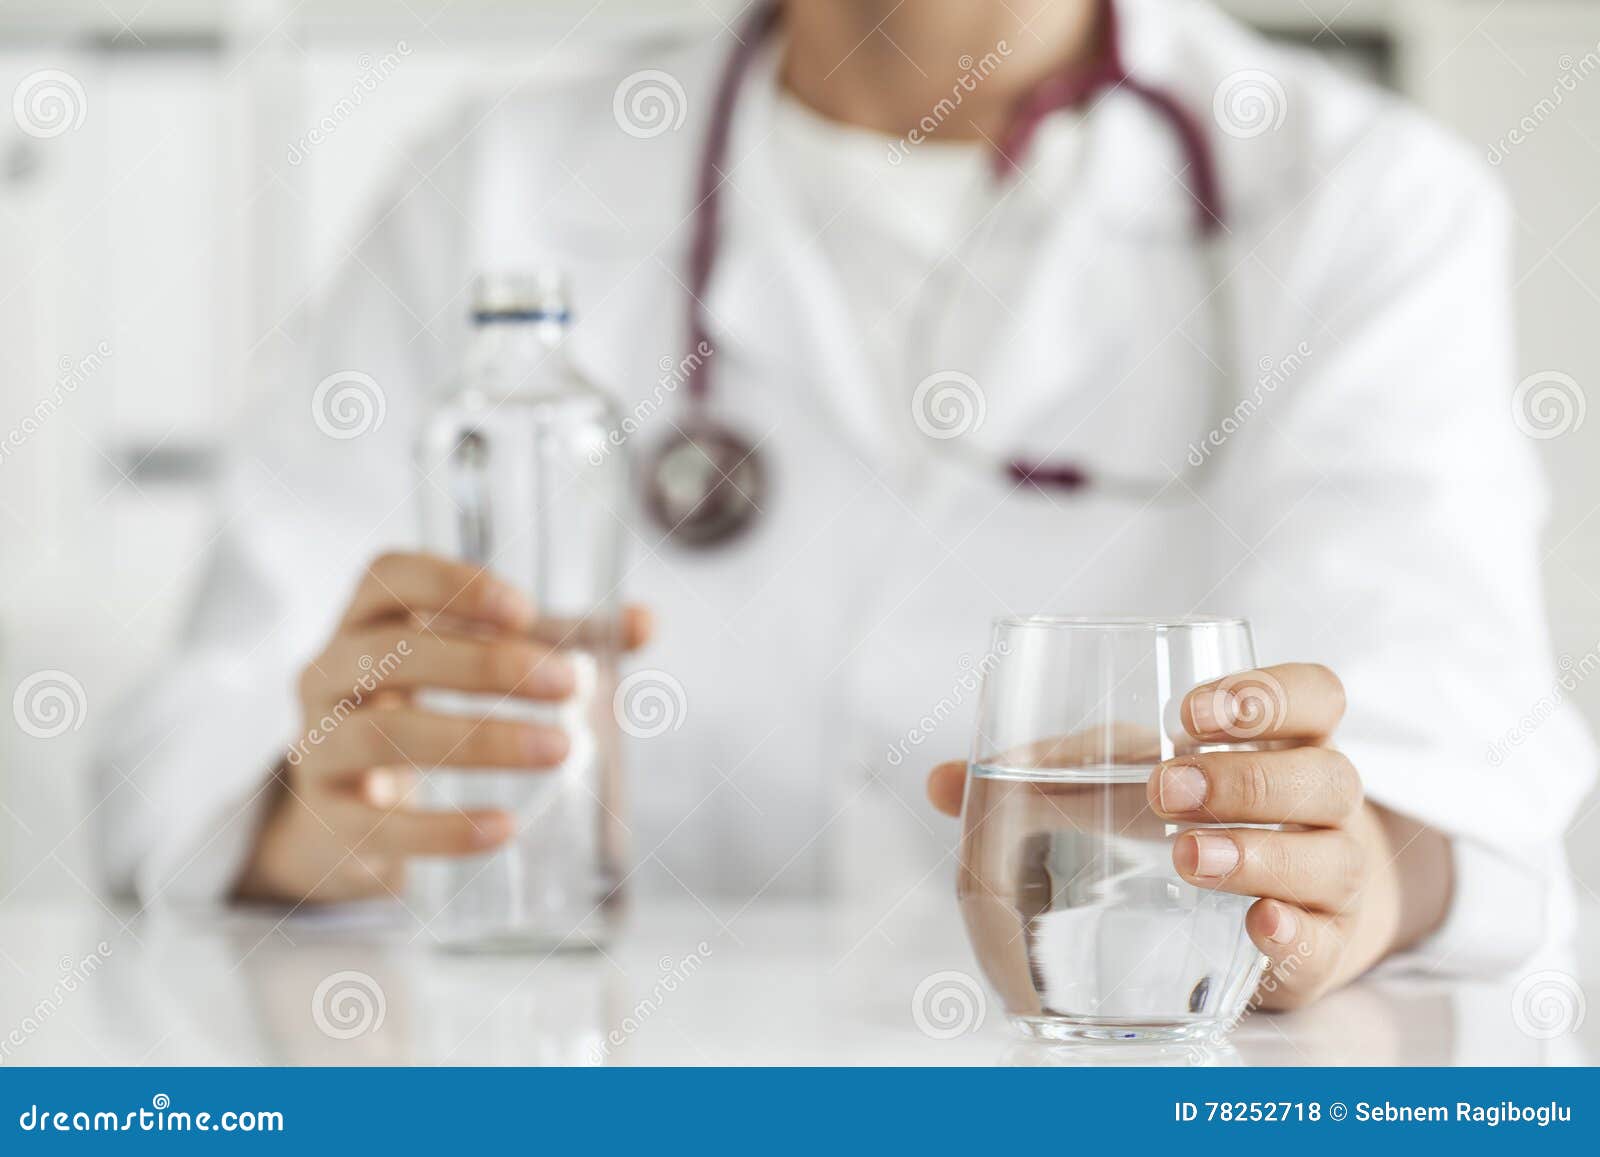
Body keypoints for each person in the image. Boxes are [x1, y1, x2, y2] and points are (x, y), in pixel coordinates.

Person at [98, 0, 1593, 1010]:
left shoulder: (1366, 201)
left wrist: (1349, 865)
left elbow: (1451, 754)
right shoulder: (494, 189)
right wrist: (319, 810)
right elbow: (191, 749)